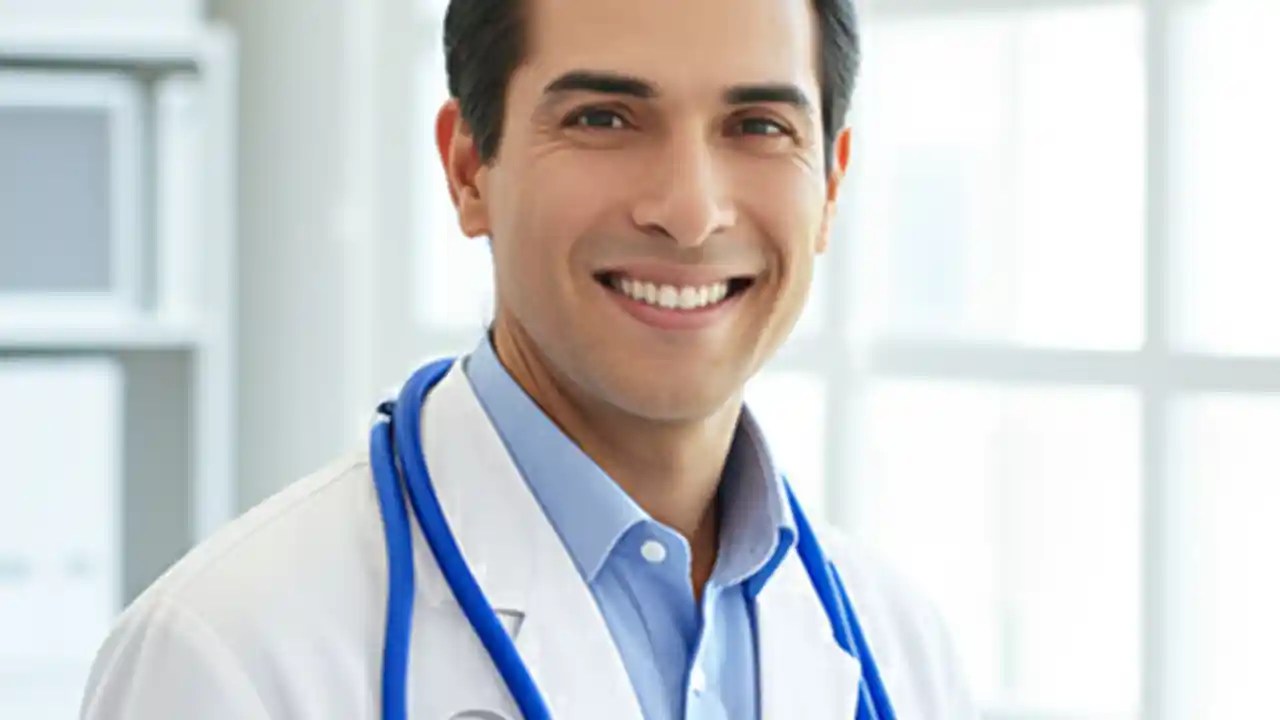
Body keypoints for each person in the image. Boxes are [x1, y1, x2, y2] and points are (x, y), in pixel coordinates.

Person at [81, 0, 976, 717]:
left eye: (757, 125)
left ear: (830, 186)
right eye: (604, 117)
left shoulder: (895, 648)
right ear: (470, 168)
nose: (690, 211)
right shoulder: (231, 655)